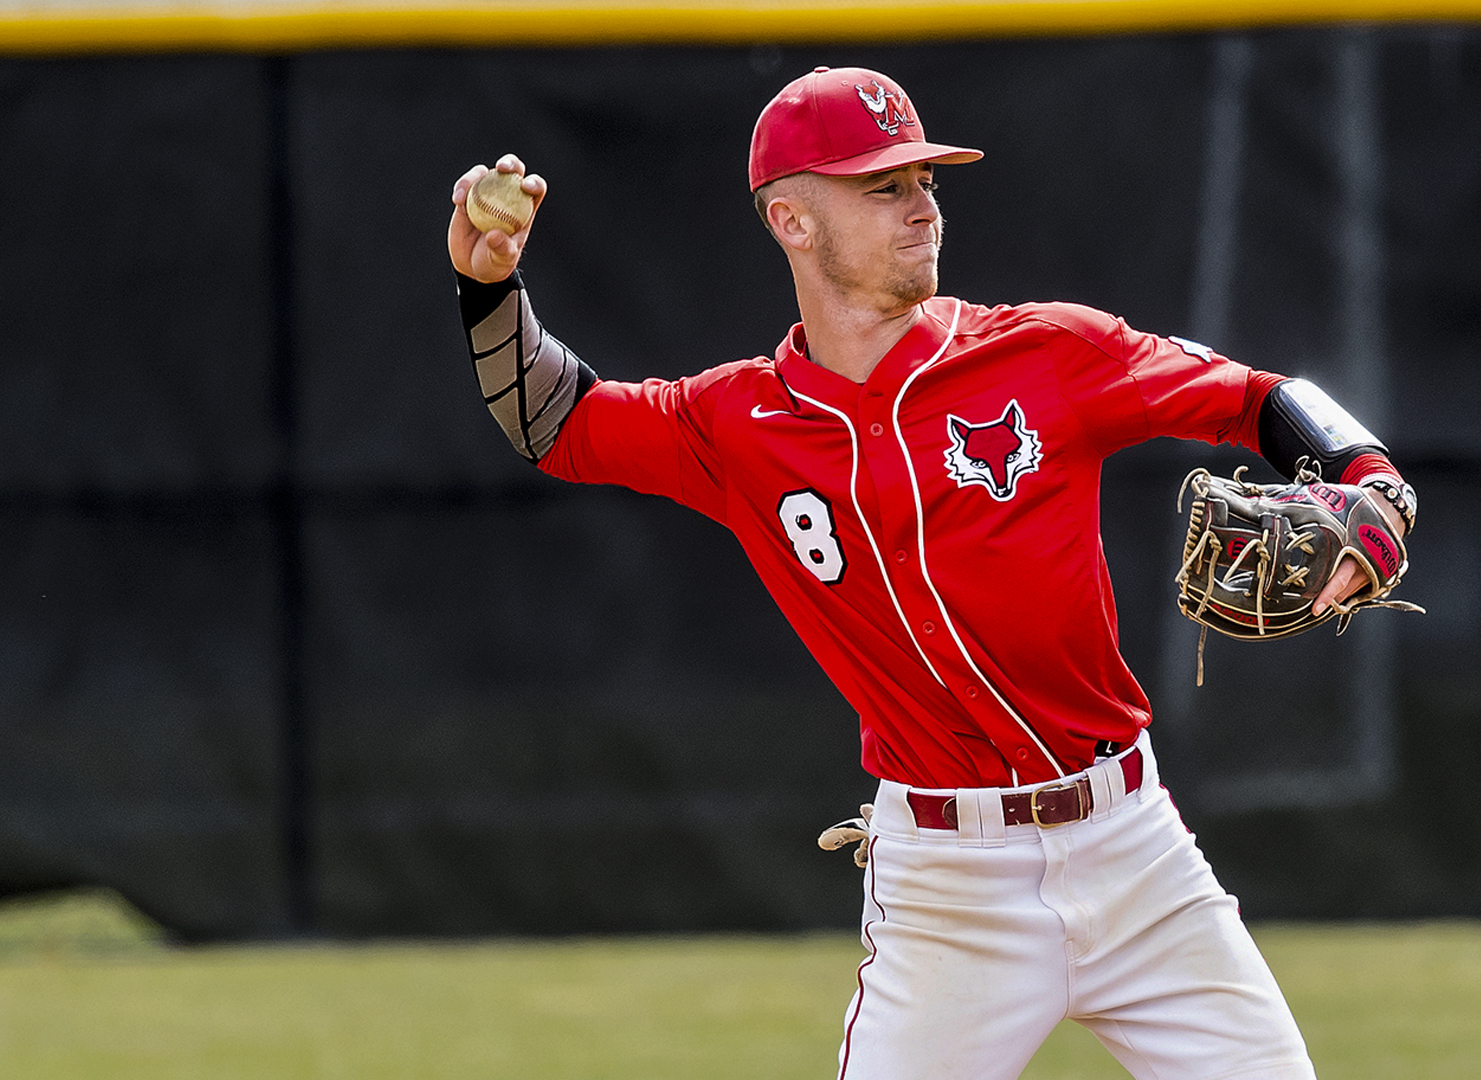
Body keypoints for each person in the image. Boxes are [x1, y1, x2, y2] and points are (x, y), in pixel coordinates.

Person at [448, 66, 1415, 1080]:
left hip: (1134, 852)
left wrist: (1377, 485)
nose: (921, 208)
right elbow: (554, 423)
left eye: (925, 181)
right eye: (883, 187)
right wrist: (488, 287)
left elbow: (1259, 395)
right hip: (950, 887)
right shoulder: (737, 426)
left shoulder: (1048, 352)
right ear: (791, 220)